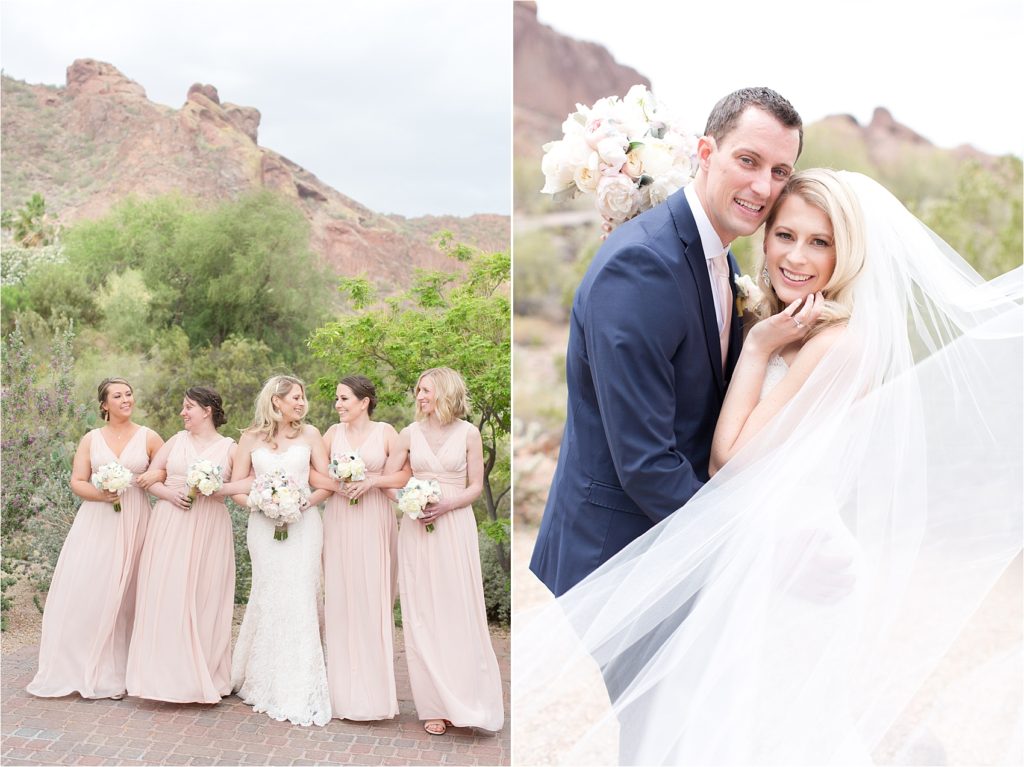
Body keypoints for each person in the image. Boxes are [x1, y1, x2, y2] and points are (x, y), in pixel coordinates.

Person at [514, 170, 1023, 765]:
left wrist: (755, 348)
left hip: (797, 560)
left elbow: (731, 458)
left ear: (848, 251)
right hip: (762, 554)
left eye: (820, 242)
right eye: (785, 235)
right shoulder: (784, 323)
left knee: (773, 736)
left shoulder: (837, 346)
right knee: (722, 732)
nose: (796, 257)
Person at [530, 87, 804, 597]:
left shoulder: (725, 261)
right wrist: (745, 546)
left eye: (780, 171)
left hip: (672, 541)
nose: (763, 186)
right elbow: (645, 462)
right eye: (748, 160)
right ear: (705, 153)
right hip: (620, 555)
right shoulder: (644, 265)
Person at [27, 377, 164, 699]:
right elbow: (78, 481)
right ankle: (88, 663)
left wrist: (154, 474)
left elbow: (167, 470)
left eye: (129, 393)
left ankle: (129, 668)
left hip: (136, 520)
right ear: (104, 405)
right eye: (118, 396)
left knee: (131, 591)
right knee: (94, 588)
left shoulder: (150, 437)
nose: (126, 399)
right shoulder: (91, 439)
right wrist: (101, 495)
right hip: (97, 521)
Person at [391, 367, 504, 735]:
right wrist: (408, 501)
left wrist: (445, 504)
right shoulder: (409, 434)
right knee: (422, 612)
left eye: (426, 390)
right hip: (417, 527)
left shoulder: (469, 433)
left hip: (454, 526)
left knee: (457, 610)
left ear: (446, 393)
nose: (420, 396)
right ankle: (433, 707)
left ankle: (466, 700)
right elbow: (393, 480)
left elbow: (474, 487)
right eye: (418, 390)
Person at [126, 386, 245, 703]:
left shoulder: (231, 448)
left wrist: (218, 489)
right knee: (169, 593)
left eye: (188, 407)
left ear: (207, 411)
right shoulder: (175, 441)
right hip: (171, 523)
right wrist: (169, 494)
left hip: (210, 526)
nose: (183, 412)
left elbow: (247, 482)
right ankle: (165, 675)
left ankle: (203, 673)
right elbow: (150, 479)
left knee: (206, 595)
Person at [229, 375, 333, 726]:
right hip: (262, 526)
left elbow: (326, 483)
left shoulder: (312, 435)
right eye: (295, 398)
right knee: (269, 593)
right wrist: (260, 504)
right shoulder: (250, 438)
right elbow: (239, 485)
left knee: (300, 594)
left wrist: (301, 504)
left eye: (303, 398)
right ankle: (260, 674)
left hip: (304, 525)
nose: (302, 404)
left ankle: (297, 681)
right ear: (277, 401)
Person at [316, 375, 410, 721]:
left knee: (372, 598)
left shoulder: (387, 433)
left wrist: (373, 481)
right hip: (339, 518)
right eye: (337, 399)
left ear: (364, 401)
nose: (338, 405)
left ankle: (375, 690)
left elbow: (403, 475)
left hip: (374, 517)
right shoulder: (331, 434)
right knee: (340, 598)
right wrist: (337, 487)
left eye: (343, 399)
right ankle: (341, 690)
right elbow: (314, 474)